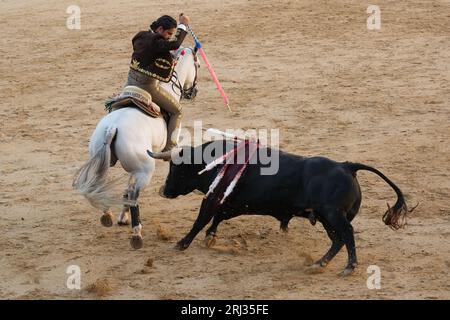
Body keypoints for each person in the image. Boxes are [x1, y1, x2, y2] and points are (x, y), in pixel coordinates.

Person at [127, 14, 191, 152]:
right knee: (177, 111)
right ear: (160, 29)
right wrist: (183, 25)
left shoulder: (141, 36)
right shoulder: (156, 42)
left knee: (118, 101)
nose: (169, 36)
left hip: (130, 83)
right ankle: (170, 149)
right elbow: (174, 44)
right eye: (169, 33)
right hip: (147, 86)